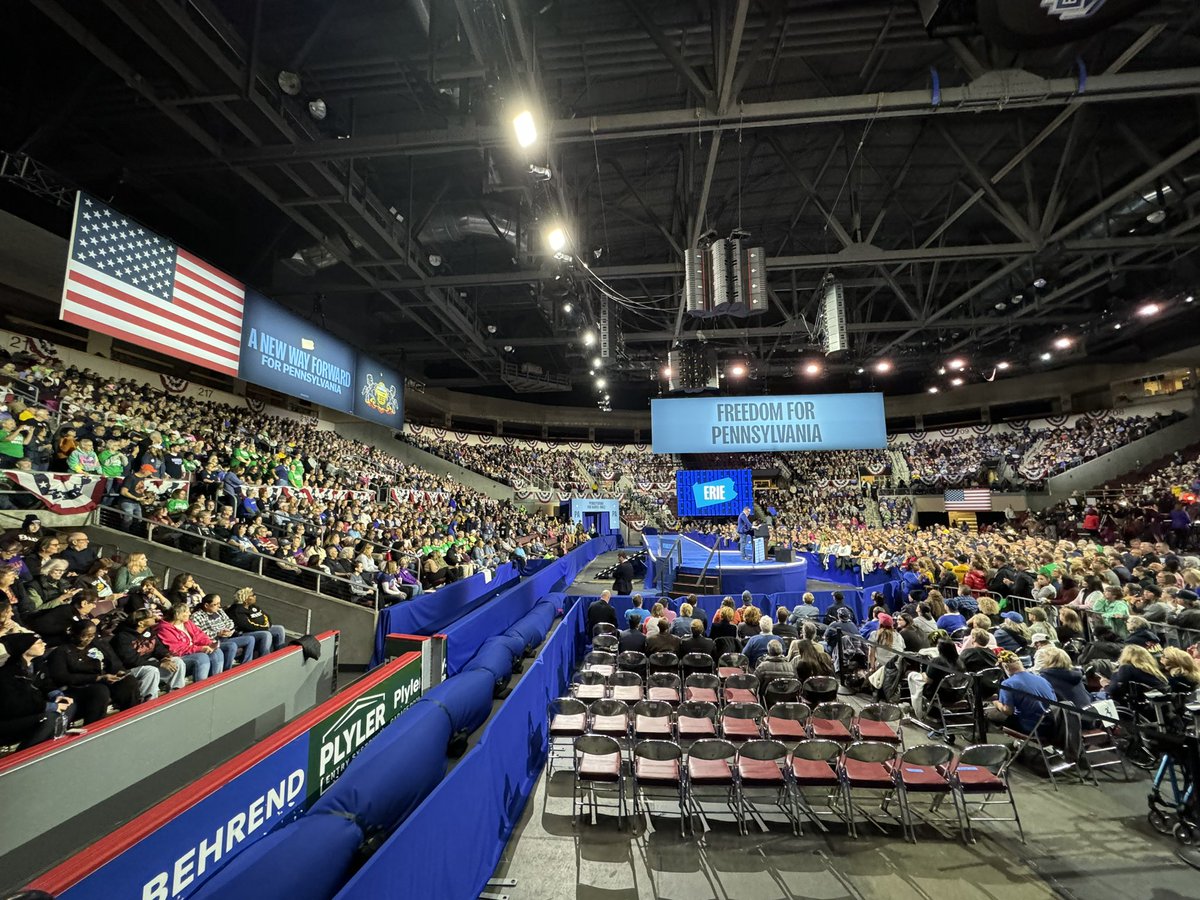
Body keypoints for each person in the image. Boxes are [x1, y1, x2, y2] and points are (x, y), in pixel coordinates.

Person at [46, 620, 141, 716]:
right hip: (81, 685)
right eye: (85, 635)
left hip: (105, 678)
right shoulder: (62, 651)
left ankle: (132, 714)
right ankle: (96, 724)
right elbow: (62, 677)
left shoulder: (98, 643)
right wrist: (97, 678)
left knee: (128, 681)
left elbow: (113, 661)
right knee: (100, 691)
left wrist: (118, 672)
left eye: (92, 635)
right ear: (75, 634)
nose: (89, 638)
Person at [0, 632, 74, 748]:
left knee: (69, 706)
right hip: (12, 719)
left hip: (36, 708)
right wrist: (50, 706)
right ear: (25, 649)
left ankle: (53, 744)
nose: (44, 644)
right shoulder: (7, 674)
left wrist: (57, 696)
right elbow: (17, 706)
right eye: (39, 643)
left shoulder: (38, 663)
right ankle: (25, 753)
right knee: (49, 717)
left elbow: (46, 684)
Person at [112, 608, 185, 698]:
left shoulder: (149, 631)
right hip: (132, 670)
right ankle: (148, 700)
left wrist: (165, 656)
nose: (154, 617)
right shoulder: (123, 637)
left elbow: (158, 648)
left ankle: (176, 692)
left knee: (177, 661)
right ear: (141, 623)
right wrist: (159, 664)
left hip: (150, 663)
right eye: (150, 617)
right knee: (151, 670)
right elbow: (131, 661)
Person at [986, 651, 1056, 734]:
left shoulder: (1008, 683)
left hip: (1031, 727)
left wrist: (996, 702)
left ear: (1006, 667)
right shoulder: (1041, 678)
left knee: (989, 714)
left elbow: (1008, 711)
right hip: (1051, 724)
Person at [154, 603, 224, 682]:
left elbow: (200, 635)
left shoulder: (188, 623)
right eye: (187, 612)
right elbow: (177, 650)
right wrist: (200, 648)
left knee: (216, 651)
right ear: (178, 614)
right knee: (202, 657)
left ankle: (217, 680)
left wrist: (209, 643)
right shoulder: (164, 629)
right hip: (180, 656)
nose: (190, 614)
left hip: (193, 650)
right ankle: (201, 685)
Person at [192, 594, 256, 669]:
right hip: (214, 642)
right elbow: (199, 634)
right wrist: (217, 633)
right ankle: (227, 670)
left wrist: (228, 630)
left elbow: (230, 622)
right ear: (206, 605)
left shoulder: (219, 611)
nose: (219, 606)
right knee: (231, 645)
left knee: (250, 639)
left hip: (226, 637)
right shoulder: (197, 616)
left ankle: (246, 666)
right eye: (216, 604)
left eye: (219, 603)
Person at [908, 639, 962, 722]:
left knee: (912, 676)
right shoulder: (960, 661)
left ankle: (919, 711)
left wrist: (922, 674)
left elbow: (928, 680)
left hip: (940, 695)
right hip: (957, 695)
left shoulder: (937, 661)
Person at [229, 587, 287, 654]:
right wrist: (264, 627)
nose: (255, 596)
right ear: (245, 598)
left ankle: (279, 653)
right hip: (245, 633)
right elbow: (248, 626)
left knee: (279, 629)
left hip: (260, 628)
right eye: (252, 595)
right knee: (266, 634)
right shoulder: (237, 611)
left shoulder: (253, 607)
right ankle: (265, 657)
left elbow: (266, 616)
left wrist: (268, 624)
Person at [1104, 645, 1169, 703]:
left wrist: (1105, 685)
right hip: (1160, 704)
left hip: (1140, 708)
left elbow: (1114, 691)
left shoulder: (1126, 668)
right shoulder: (1153, 671)